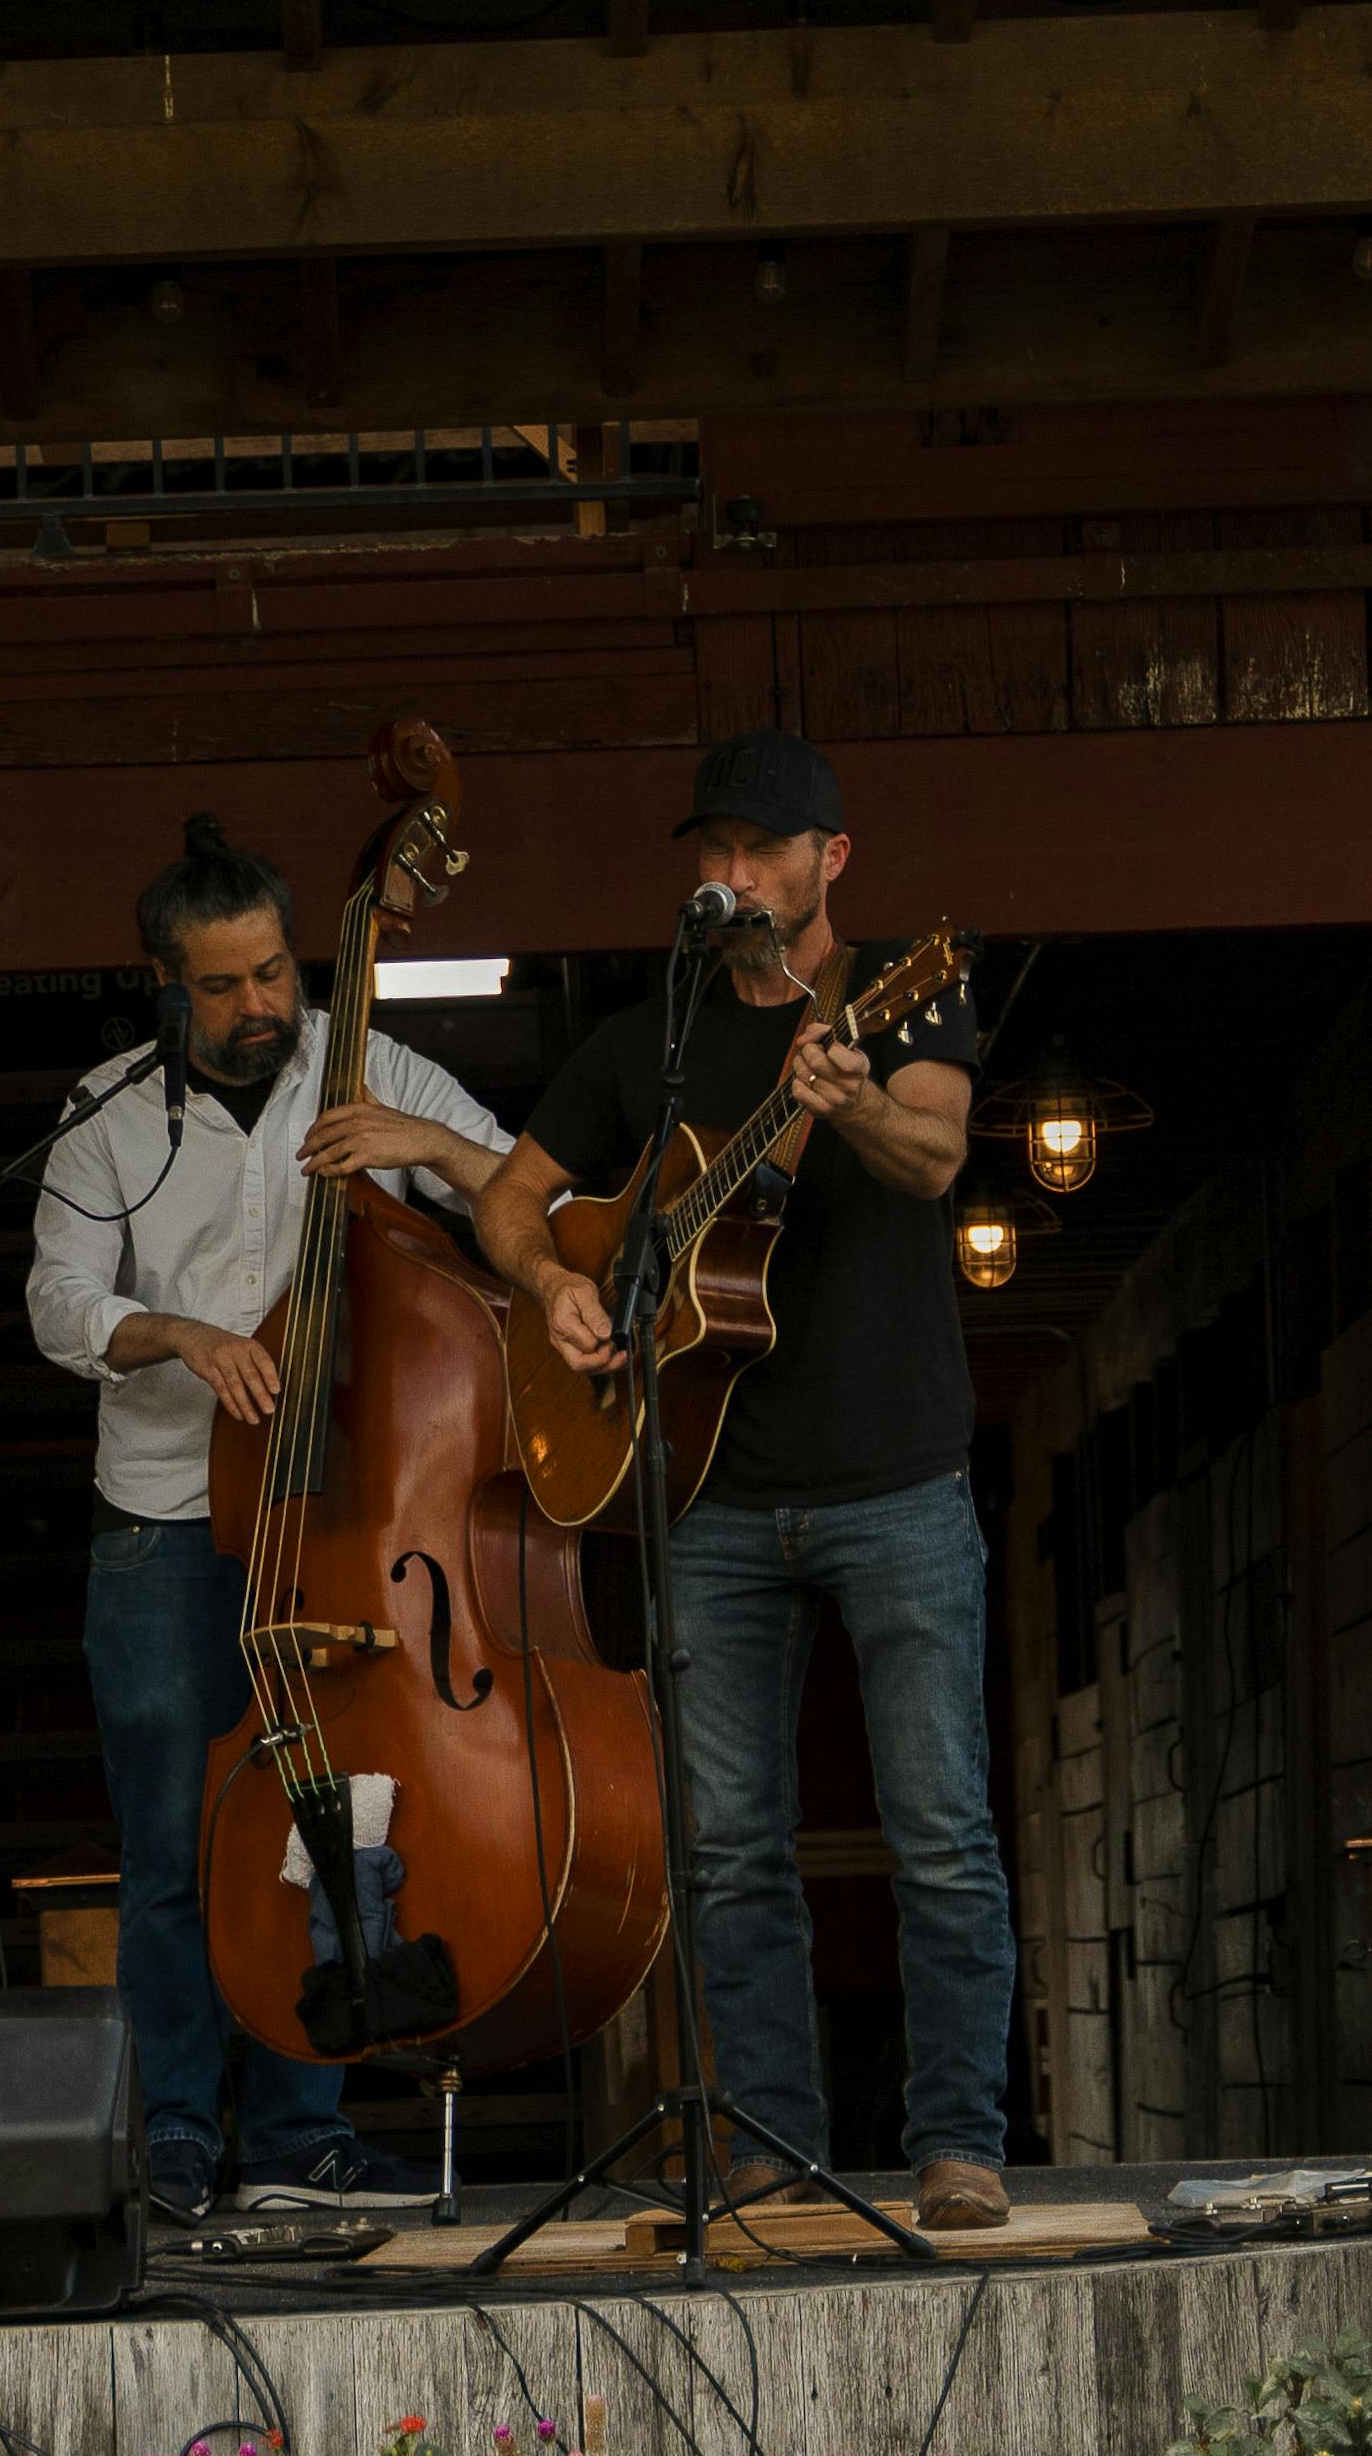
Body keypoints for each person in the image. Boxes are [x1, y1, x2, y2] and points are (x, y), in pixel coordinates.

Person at [470, 726, 1015, 2232]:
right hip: (704, 1488)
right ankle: (770, 2144)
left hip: (891, 1478)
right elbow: (512, 1198)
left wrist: (846, 1101)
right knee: (723, 1849)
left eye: (760, 849)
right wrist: (553, 1290)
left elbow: (936, 1159)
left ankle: (958, 2142)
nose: (730, 873)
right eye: (711, 851)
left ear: (830, 860)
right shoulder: (660, 1030)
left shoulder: (902, 988)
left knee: (938, 1830)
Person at [23, 809, 516, 2225]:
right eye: (225, 985)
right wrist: (174, 1333)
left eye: (273, 974)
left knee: (328, 1820)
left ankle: (300, 2130)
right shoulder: (104, 1111)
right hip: (165, 1520)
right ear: (166, 988)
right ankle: (178, 2130)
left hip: (343, 1516)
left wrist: (428, 1140)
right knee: (175, 1837)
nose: (261, 1007)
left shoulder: (373, 1068)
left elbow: (530, 1209)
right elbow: (57, 1306)